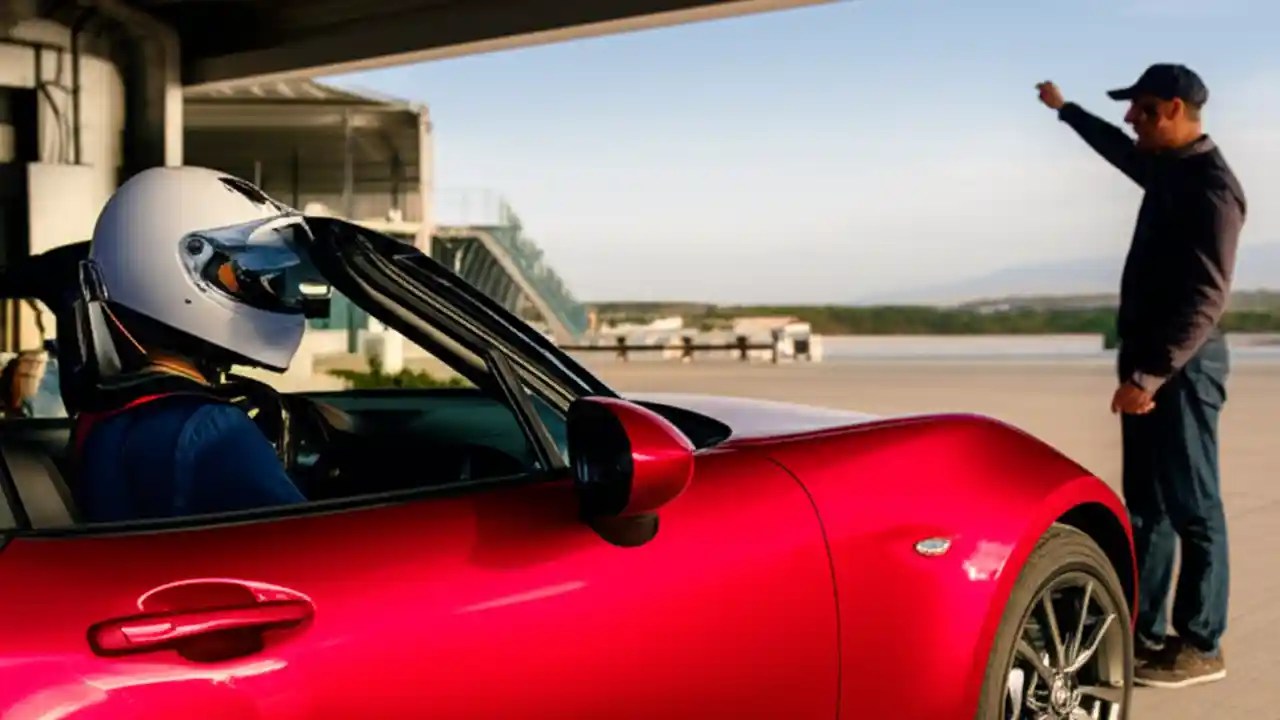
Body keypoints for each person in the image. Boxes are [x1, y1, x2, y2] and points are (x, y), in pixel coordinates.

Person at [1037, 64, 1244, 688]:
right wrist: (1066, 110)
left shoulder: (1212, 187)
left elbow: (1207, 298)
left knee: (1194, 507)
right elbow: (1116, 150)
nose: (1132, 119)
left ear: (1174, 110)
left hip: (1181, 370)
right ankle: (1145, 630)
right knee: (1147, 510)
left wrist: (1151, 376)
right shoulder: (1168, 170)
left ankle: (1202, 644)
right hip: (1150, 368)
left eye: (1142, 109)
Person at [72, 166, 311, 522]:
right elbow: (308, 550)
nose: (268, 286)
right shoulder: (212, 429)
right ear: (169, 269)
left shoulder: (100, 418)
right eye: (244, 273)